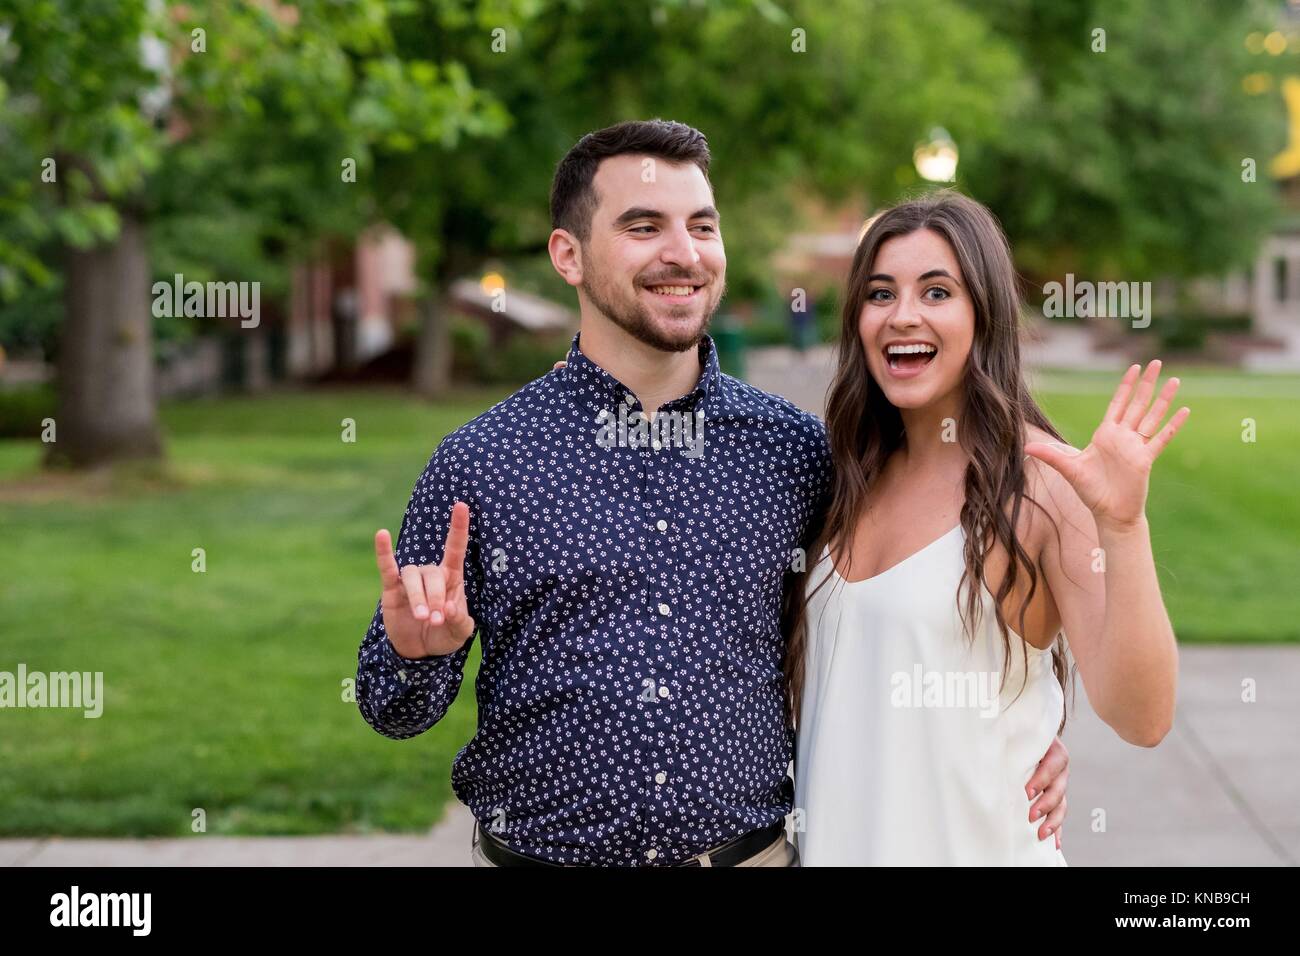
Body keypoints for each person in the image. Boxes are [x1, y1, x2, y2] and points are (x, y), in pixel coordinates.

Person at [355, 120, 1069, 867]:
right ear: (568, 255)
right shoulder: (482, 463)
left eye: (702, 225)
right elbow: (389, 707)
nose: (683, 253)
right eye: (643, 226)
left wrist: (1018, 735)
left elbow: (892, 625)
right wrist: (417, 655)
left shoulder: (798, 454)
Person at [788, 191, 1186, 865]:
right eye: (880, 293)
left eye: (937, 291)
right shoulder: (844, 475)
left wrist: (1122, 528)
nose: (902, 315)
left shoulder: (1036, 486)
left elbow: (1143, 717)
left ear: (985, 315)